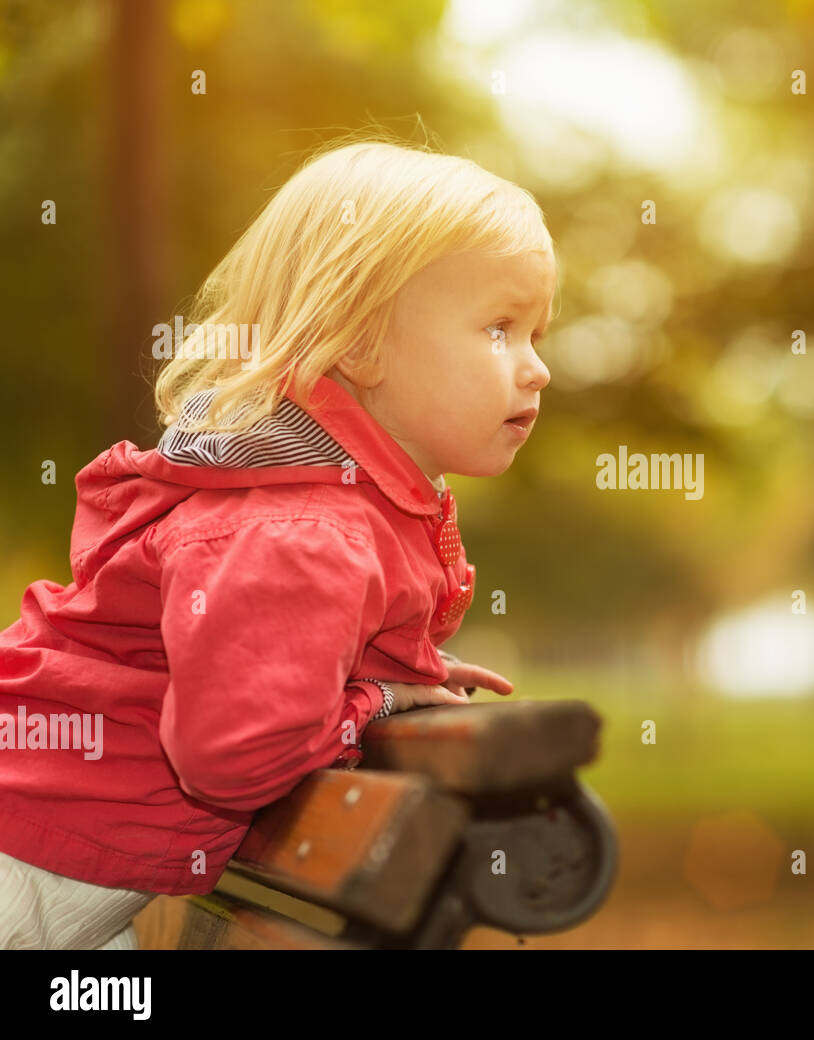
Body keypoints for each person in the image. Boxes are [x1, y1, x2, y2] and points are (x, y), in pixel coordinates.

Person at [0, 137, 556, 948]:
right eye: (501, 328)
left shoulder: (315, 506)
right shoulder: (305, 530)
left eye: (540, 333)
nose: (537, 368)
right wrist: (379, 700)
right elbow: (231, 755)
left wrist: (388, 666)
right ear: (360, 344)